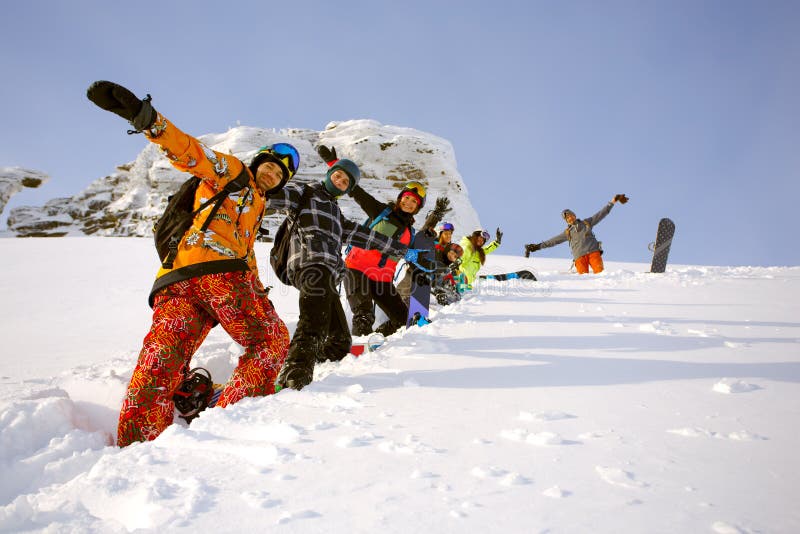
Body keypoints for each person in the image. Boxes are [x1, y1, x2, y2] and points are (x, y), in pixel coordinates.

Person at [86, 81, 293, 446]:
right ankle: (229, 423)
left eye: (280, 176)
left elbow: (246, 255)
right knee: (270, 339)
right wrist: (148, 119)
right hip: (218, 277)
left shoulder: (255, 205)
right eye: (271, 167)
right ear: (258, 162)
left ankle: (138, 447)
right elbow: (192, 152)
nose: (272, 176)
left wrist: (259, 292)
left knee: (163, 359)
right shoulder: (232, 172)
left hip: (177, 279)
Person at [268, 148, 423, 391]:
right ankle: (295, 371)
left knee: (340, 342)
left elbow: (368, 237)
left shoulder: (337, 215)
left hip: (330, 275)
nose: (340, 182)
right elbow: (271, 194)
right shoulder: (304, 193)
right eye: (338, 176)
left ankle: (296, 362)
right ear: (330, 174)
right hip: (310, 266)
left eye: (346, 181)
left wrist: (404, 251)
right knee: (314, 321)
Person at [343, 179, 426, 337]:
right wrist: (333, 163)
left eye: (414, 201)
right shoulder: (381, 211)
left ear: (417, 207)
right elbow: (357, 192)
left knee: (403, 320)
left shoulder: (411, 233)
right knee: (364, 314)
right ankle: (358, 353)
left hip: (383, 279)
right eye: (407, 197)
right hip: (357, 269)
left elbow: (417, 259)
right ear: (400, 198)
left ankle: (376, 341)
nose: (409, 202)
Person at [524, 194, 628, 274]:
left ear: (574, 215)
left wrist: (613, 201)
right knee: (583, 281)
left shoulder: (587, 223)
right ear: (566, 221)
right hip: (579, 257)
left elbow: (601, 214)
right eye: (567, 218)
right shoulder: (567, 233)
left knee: (601, 275)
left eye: (571, 215)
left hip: (593, 253)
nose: (570, 218)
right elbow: (552, 241)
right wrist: (537, 247)